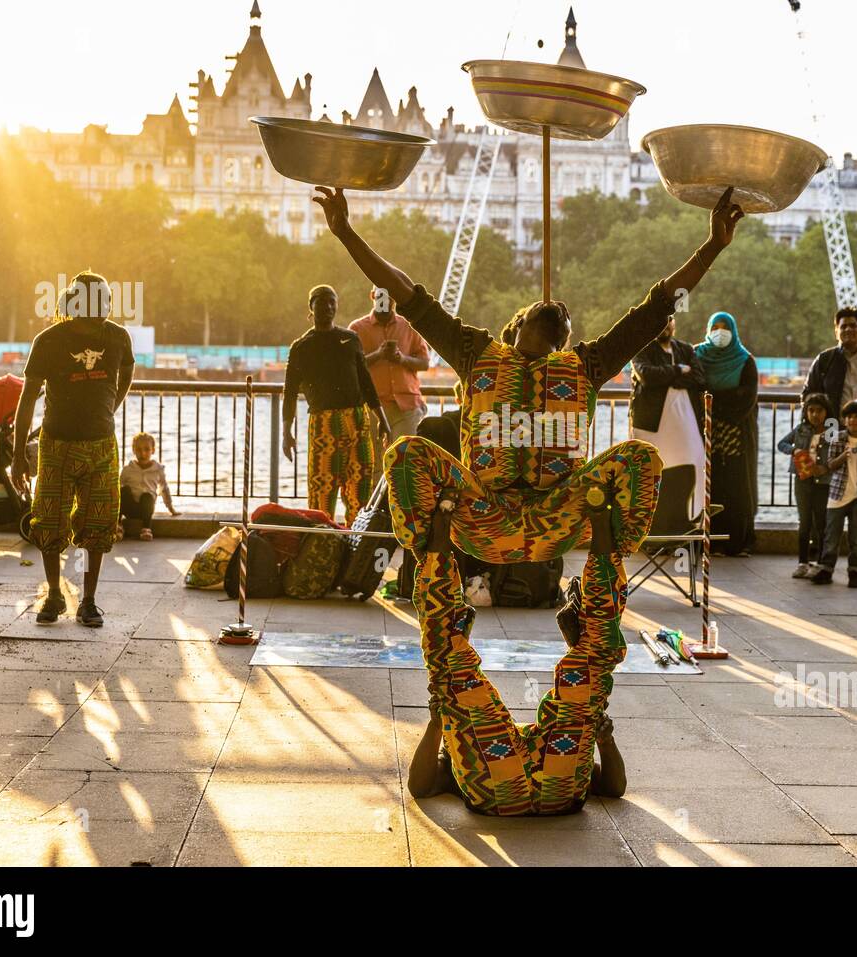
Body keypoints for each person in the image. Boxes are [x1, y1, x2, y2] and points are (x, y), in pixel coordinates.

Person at [313, 184, 746, 815]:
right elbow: (407, 290)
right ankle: (426, 557)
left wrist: (712, 245)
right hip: (482, 518)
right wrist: (346, 233)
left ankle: (606, 560)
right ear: (515, 328)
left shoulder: (587, 364)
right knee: (406, 455)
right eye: (544, 330)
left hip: (556, 520)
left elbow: (655, 310)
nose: (553, 340)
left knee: (639, 461)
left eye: (560, 333)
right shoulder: (473, 351)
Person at [10, 271, 133, 628]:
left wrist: (110, 408)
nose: (98, 312)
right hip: (56, 445)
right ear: (74, 304)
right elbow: (28, 397)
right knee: (48, 521)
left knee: (100, 523)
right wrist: (18, 455)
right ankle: (53, 595)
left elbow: (126, 377)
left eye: (103, 303)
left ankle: (89, 601)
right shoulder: (48, 340)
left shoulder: (119, 338)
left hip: (102, 446)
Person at [281, 284, 391, 520]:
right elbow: (289, 392)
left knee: (360, 489)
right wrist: (286, 431)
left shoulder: (350, 339)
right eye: (321, 302)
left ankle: (356, 542)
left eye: (332, 302)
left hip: (357, 421)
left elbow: (366, 382)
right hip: (324, 425)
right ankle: (322, 543)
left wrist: (381, 418)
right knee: (322, 492)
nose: (328, 307)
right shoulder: (301, 347)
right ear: (311, 308)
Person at [802, 307, 857, 565]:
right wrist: (825, 427)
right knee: (829, 489)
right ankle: (824, 551)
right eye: (843, 326)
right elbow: (808, 395)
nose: (848, 330)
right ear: (836, 330)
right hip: (833, 434)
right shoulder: (825, 360)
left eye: (853, 326)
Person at [630, 315, 707, 519]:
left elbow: (699, 378)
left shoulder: (686, 349)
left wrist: (667, 378)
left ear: (674, 324)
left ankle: (689, 521)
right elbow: (646, 375)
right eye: (661, 320)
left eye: (669, 320)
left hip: (686, 426)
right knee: (649, 473)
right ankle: (647, 525)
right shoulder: (642, 348)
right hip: (651, 425)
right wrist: (678, 370)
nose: (665, 324)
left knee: (694, 464)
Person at [697, 311, 759, 556]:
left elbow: (746, 398)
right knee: (711, 483)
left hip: (737, 434)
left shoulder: (745, 361)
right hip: (705, 432)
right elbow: (695, 389)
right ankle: (710, 540)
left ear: (733, 331)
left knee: (737, 484)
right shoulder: (697, 356)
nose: (719, 332)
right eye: (716, 327)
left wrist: (714, 403)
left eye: (725, 327)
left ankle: (738, 541)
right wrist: (718, 400)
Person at [350, 284, 431, 456]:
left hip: (407, 407)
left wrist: (402, 358)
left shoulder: (410, 326)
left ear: (394, 299)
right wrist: (378, 355)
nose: (385, 301)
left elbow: (424, 363)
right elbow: (350, 366)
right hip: (372, 407)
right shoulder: (357, 328)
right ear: (372, 296)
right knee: (376, 464)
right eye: (381, 296)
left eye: (389, 297)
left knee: (406, 462)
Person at [809, 399, 857, 588]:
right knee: (831, 535)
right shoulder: (837, 437)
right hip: (838, 494)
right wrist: (843, 456)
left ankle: (855, 572)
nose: (853, 420)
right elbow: (830, 465)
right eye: (848, 417)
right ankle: (826, 569)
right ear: (844, 420)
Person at [777, 393, 831, 577]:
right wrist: (794, 451)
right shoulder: (801, 429)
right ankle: (802, 561)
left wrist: (826, 467)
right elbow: (781, 443)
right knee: (805, 521)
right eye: (811, 410)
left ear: (827, 412)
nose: (815, 414)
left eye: (819, 411)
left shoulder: (832, 432)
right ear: (806, 412)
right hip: (803, 479)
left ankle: (820, 561)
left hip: (823, 481)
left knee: (821, 521)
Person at [118, 432, 178, 541]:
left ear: (153, 450)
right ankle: (118, 526)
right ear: (133, 450)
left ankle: (146, 528)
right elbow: (117, 488)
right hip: (129, 508)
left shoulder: (158, 469)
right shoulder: (128, 469)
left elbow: (164, 489)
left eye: (146, 449)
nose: (143, 453)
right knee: (123, 490)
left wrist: (170, 508)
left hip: (145, 509)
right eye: (139, 450)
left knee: (148, 496)